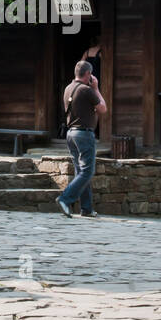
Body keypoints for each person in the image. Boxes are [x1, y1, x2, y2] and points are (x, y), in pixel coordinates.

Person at [56, 59, 106, 217]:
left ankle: (86, 209)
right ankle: (65, 199)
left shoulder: (68, 88)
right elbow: (103, 108)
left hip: (71, 134)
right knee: (87, 172)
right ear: (88, 74)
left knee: (81, 172)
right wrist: (96, 88)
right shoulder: (86, 90)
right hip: (84, 134)